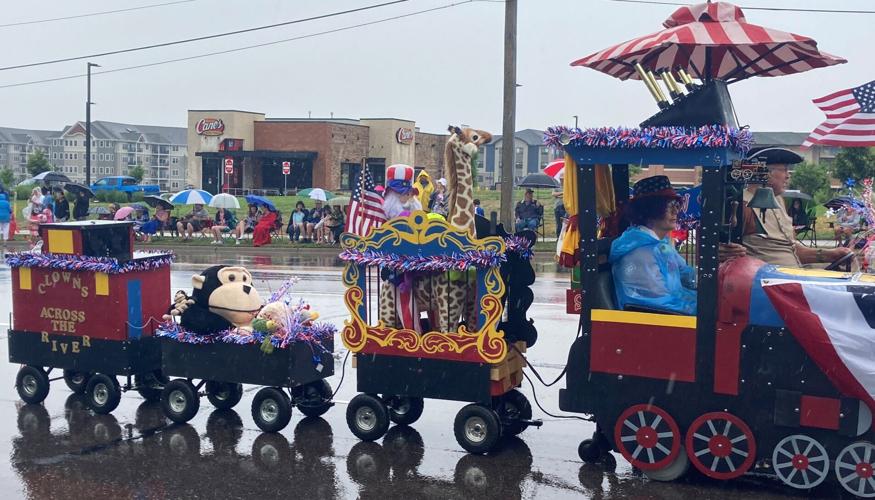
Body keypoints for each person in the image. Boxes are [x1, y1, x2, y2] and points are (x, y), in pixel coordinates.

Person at [740, 148, 852, 267]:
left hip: (792, 274)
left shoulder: (778, 200)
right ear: (765, 173)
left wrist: (830, 254)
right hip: (768, 282)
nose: (788, 176)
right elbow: (725, 250)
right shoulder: (743, 205)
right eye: (784, 170)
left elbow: (791, 250)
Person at [610, 176, 697, 315]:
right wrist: (706, 308)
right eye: (668, 206)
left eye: (675, 205)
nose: (676, 211)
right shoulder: (639, 254)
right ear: (650, 209)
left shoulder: (661, 245)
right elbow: (659, 304)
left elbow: (688, 275)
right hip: (654, 325)